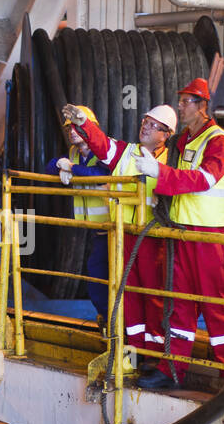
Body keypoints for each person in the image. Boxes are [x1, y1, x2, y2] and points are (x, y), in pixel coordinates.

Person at [126, 77, 224, 389]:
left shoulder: (220, 142)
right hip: (183, 235)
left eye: (187, 101)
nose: (181, 106)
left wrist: (159, 173)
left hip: (211, 238)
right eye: (181, 100)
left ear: (204, 108)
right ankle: (172, 368)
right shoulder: (185, 141)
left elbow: (204, 180)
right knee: (179, 305)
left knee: (217, 307)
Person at [61, 102, 177, 365]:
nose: (145, 127)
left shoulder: (171, 160)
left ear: (165, 134)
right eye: (144, 122)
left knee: (154, 298)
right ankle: (133, 356)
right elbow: (101, 144)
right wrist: (83, 124)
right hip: (125, 236)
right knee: (130, 298)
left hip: (154, 239)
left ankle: (155, 358)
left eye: (153, 125)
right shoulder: (125, 152)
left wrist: (162, 176)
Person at [44, 117, 110, 320]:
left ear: (92, 128)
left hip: (116, 226)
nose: (72, 131)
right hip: (97, 229)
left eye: (77, 127)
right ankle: (108, 321)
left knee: (104, 276)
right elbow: (49, 167)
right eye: (69, 127)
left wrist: (72, 169)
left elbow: (101, 173)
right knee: (98, 277)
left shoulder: (105, 150)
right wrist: (61, 165)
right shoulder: (75, 153)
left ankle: (115, 323)